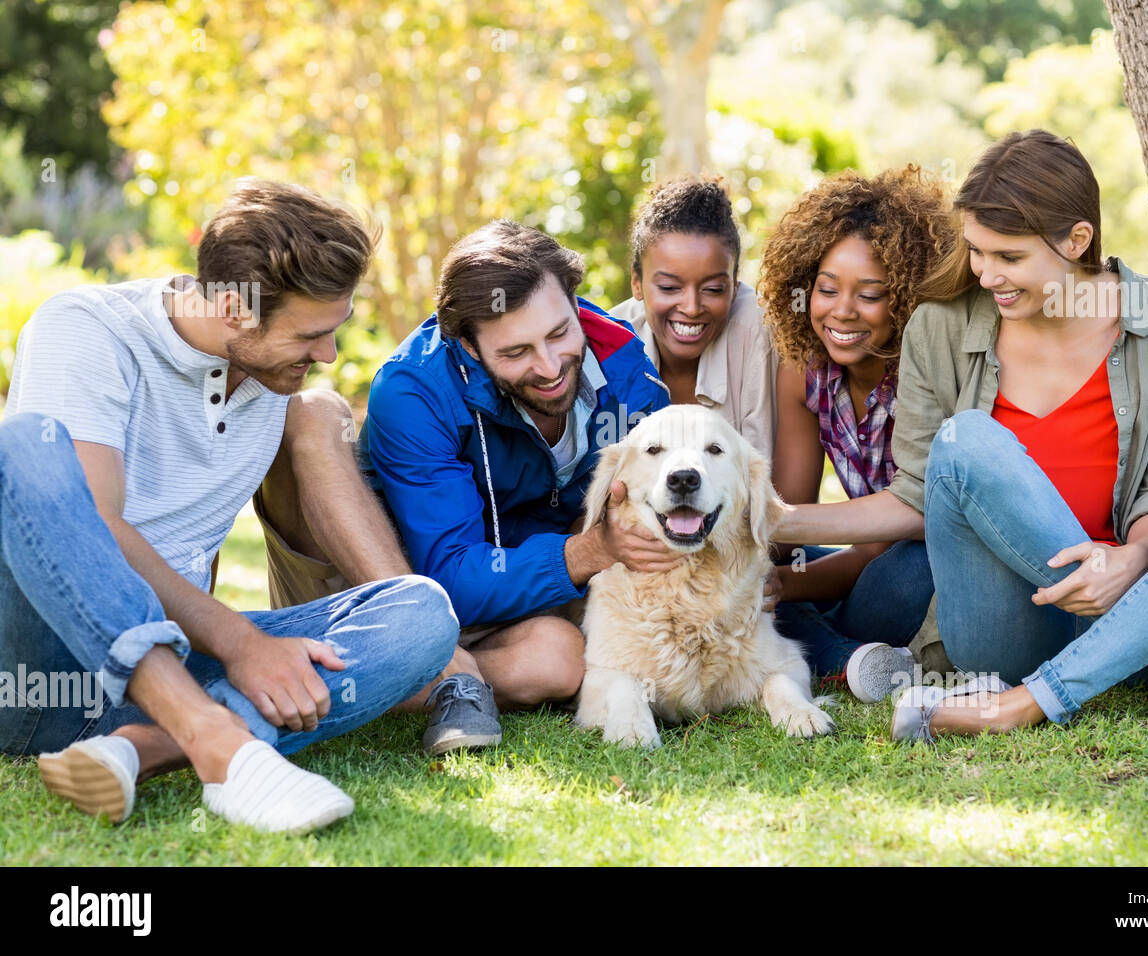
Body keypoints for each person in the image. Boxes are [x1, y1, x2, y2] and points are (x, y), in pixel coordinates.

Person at [774, 129, 1148, 741]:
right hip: (1012, 622)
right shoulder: (939, 329)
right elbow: (915, 496)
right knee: (966, 440)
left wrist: (1129, 560)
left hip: (1139, 588)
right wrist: (770, 521)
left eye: (1009, 258)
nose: (986, 274)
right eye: (976, 252)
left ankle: (1026, 704)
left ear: (1078, 240)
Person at [0, 179, 459, 832]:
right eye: (310, 335)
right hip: (43, 674)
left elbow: (197, 543)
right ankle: (216, 740)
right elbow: (97, 530)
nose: (327, 355)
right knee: (26, 444)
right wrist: (239, 640)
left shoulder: (270, 384)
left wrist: (243, 646)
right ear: (236, 312)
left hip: (169, 676)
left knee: (420, 613)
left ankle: (138, 749)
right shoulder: (88, 330)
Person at [255, 220, 677, 756]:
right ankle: (377, 661)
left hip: (504, 615)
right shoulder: (415, 387)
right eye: (517, 351)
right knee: (315, 410)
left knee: (558, 660)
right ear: (468, 347)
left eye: (558, 334)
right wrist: (587, 550)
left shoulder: (626, 372)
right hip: (366, 590)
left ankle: (399, 683)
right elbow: (449, 573)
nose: (549, 367)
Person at [758, 167, 952, 702]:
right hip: (857, 561)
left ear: (907, 300)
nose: (842, 312)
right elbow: (789, 522)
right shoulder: (804, 370)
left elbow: (889, 537)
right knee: (766, 572)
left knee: (910, 569)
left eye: (870, 294)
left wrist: (786, 588)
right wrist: (764, 573)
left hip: (920, 566)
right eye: (826, 289)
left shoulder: (926, 375)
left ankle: (826, 645)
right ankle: (853, 657)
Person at [608, 176, 777, 458]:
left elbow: (781, 493)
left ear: (735, 286)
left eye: (713, 289)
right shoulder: (610, 343)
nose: (691, 307)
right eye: (669, 288)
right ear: (636, 283)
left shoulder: (762, 334)